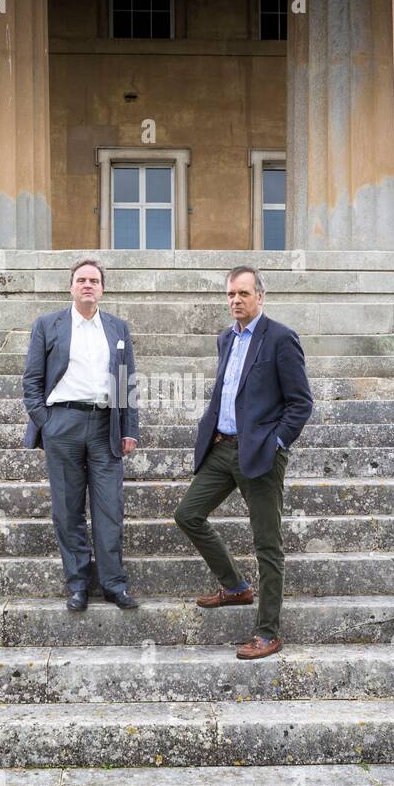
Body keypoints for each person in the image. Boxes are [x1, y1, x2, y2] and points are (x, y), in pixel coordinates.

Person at [173, 265, 313, 659]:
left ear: (260, 297)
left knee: (268, 544)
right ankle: (235, 586)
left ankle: (267, 632)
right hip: (221, 449)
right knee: (187, 514)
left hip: (261, 453)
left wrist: (277, 442)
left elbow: (301, 403)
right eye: (231, 294)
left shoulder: (281, 338)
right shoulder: (225, 339)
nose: (236, 301)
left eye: (244, 294)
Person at [22, 257, 140, 611]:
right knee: (67, 508)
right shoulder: (48, 324)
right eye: (81, 280)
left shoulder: (117, 328)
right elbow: (32, 380)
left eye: (94, 280)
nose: (88, 285)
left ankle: (114, 584)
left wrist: (130, 429)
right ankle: (77, 584)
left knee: (109, 507)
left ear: (102, 289)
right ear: (71, 287)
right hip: (64, 423)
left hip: (106, 426)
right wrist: (47, 422)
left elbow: (126, 383)